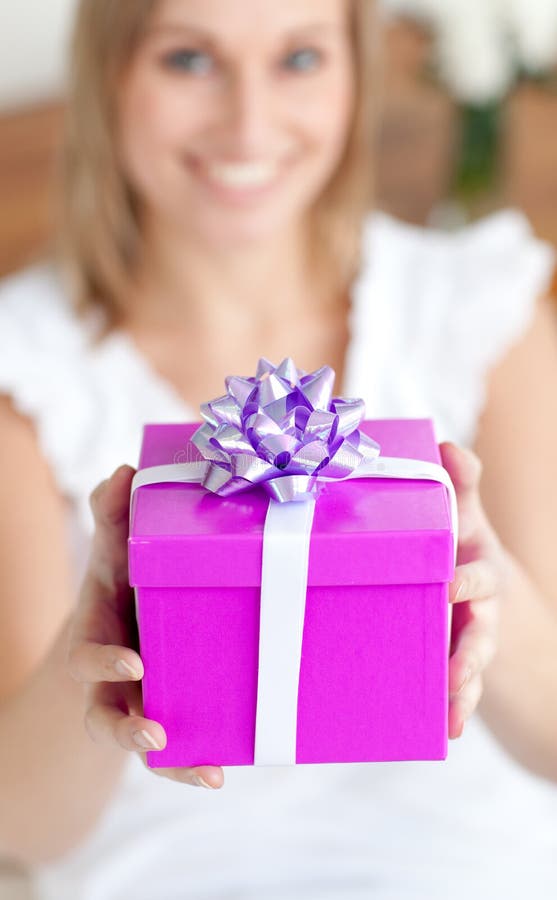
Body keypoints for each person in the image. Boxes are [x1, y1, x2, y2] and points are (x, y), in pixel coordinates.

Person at [0, 0, 556, 897]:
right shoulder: (21, 372)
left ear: (356, 76)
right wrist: (90, 649)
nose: (247, 122)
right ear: (109, 74)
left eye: (299, 58)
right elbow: (25, 830)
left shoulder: (479, 311)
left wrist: (488, 592)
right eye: (189, 60)